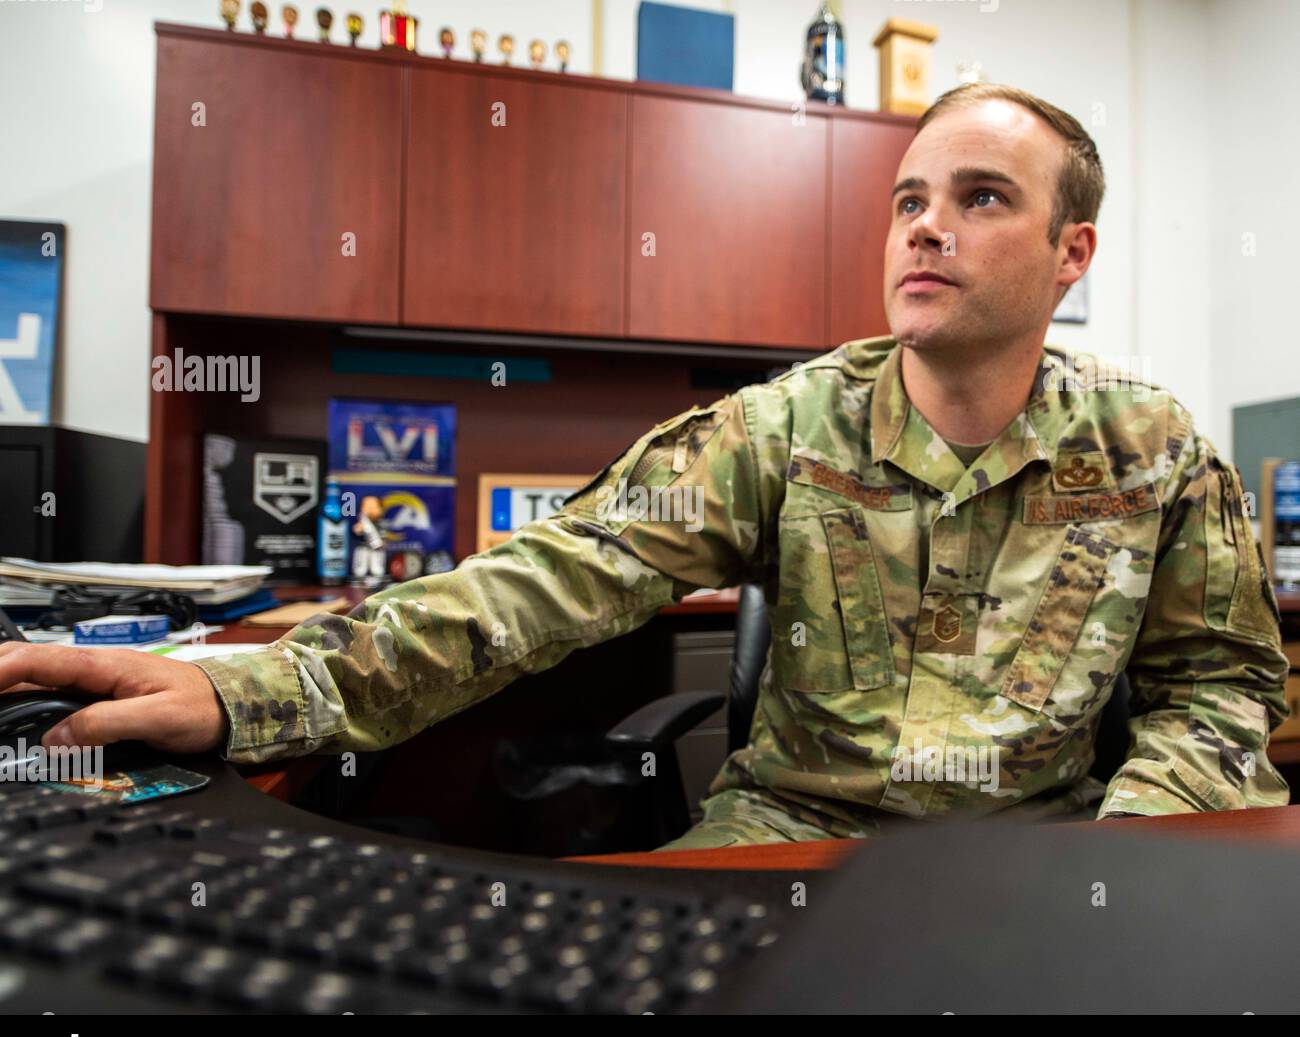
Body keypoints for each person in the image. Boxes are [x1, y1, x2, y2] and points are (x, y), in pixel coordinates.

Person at [0, 84, 1289, 850]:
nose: (928, 225)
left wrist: (1132, 860)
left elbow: (1220, 694)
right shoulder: (782, 430)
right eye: (908, 198)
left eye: (982, 197)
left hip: (1046, 861)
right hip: (791, 842)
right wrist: (246, 691)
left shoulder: (1152, 449)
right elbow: (537, 587)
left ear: (1074, 254)